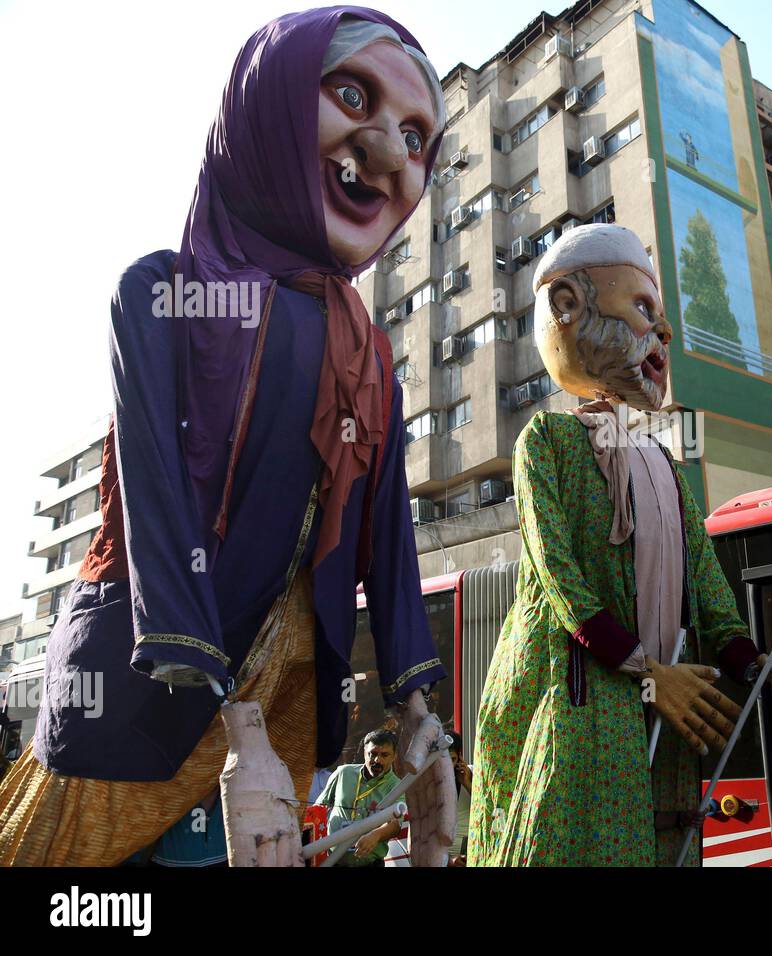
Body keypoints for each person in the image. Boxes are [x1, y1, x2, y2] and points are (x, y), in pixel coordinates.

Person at [0, 7, 451, 866]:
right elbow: (155, 505)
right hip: (135, 702)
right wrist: (222, 703)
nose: (391, 152)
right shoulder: (158, 292)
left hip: (279, 708)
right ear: (265, 107)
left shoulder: (371, 352)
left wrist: (417, 707)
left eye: (418, 136)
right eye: (351, 94)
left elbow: (386, 543)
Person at [468, 224, 772, 867]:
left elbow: (710, 596)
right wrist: (646, 674)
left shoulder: (665, 466)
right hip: (576, 715)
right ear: (568, 305)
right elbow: (558, 576)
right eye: (643, 312)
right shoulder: (546, 441)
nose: (667, 335)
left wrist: (765, 672)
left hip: (667, 728)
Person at [315, 730, 405, 868]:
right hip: (332, 861)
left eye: (384, 755)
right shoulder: (343, 773)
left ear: (394, 756)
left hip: (370, 864)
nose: (377, 760)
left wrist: (376, 835)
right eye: (373, 754)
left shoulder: (397, 786)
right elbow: (318, 808)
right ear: (364, 752)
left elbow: (395, 825)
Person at [446, 731, 472, 866]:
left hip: (470, 855)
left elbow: (491, 811)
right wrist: (448, 862)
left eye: (452, 759)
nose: (447, 766)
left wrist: (467, 784)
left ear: (460, 758)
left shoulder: (472, 774)